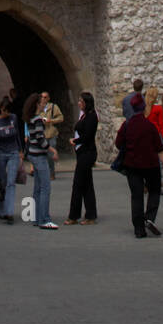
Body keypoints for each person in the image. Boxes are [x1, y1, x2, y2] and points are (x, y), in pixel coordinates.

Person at [115, 94, 163, 239]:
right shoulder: (150, 126)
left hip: (132, 165)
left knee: (136, 195)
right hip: (150, 165)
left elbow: (118, 144)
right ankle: (149, 217)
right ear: (143, 108)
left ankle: (139, 229)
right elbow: (160, 150)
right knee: (154, 191)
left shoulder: (126, 125)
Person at [24, 93, 58, 229]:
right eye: (42, 102)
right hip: (39, 155)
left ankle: (37, 218)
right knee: (45, 187)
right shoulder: (37, 120)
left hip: (32, 154)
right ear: (37, 104)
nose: (44, 103)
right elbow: (40, 138)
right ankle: (44, 219)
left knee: (37, 188)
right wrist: (51, 150)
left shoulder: (30, 119)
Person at [65, 91, 98, 225]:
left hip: (87, 152)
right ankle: (90, 214)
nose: (78, 103)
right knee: (87, 184)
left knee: (78, 184)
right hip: (82, 152)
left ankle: (74, 215)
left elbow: (88, 136)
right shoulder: (84, 116)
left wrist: (75, 141)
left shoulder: (92, 116)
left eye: (81, 101)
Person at [0, 96, 23, 224]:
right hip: (1, 153)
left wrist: (21, 150)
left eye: (7, 111)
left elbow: (17, 135)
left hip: (13, 152)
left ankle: (9, 211)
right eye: (3, 111)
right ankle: (1, 210)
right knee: (1, 182)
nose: (6, 114)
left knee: (11, 182)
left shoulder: (13, 118)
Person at [38, 91, 64, 179]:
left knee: (50, 154)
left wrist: (51, 121)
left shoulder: (53, 107)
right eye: (42, 97)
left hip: (51, 133)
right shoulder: (38, 108)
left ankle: (51, 172)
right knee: (41, 154)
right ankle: (43, 172)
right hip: (42, 134)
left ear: (48, 98)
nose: (43, 99)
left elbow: (61, 118)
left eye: (45, 97)